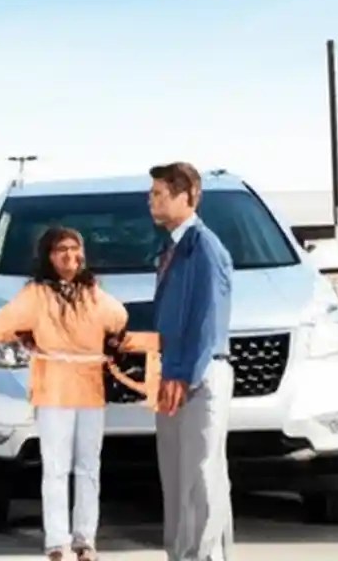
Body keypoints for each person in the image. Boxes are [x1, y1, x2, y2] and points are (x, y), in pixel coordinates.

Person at [0, 226, 129, 561]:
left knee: (89, 466)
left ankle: (85, 539)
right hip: (53, 389)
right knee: (56, 468)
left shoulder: (92, 291)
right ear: (48, 255)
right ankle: (56, 542)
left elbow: (118, 317)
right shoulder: (35, 293)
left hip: (89, 388)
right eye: (61, 249)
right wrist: (24, 335)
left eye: (75, 249)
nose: (69, 256)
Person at [147, 162, 234, 561]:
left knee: (201, 475)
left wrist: (185, 375)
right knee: (178, 476)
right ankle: (183, 555)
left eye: (160, 194)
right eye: (152, 194)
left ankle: (202, 556)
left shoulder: (205, 248)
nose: (152, 201)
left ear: (188, 196)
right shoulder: (173, 248)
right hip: (174, 374)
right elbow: (169, 312)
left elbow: (207, 317)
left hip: (198, 376)